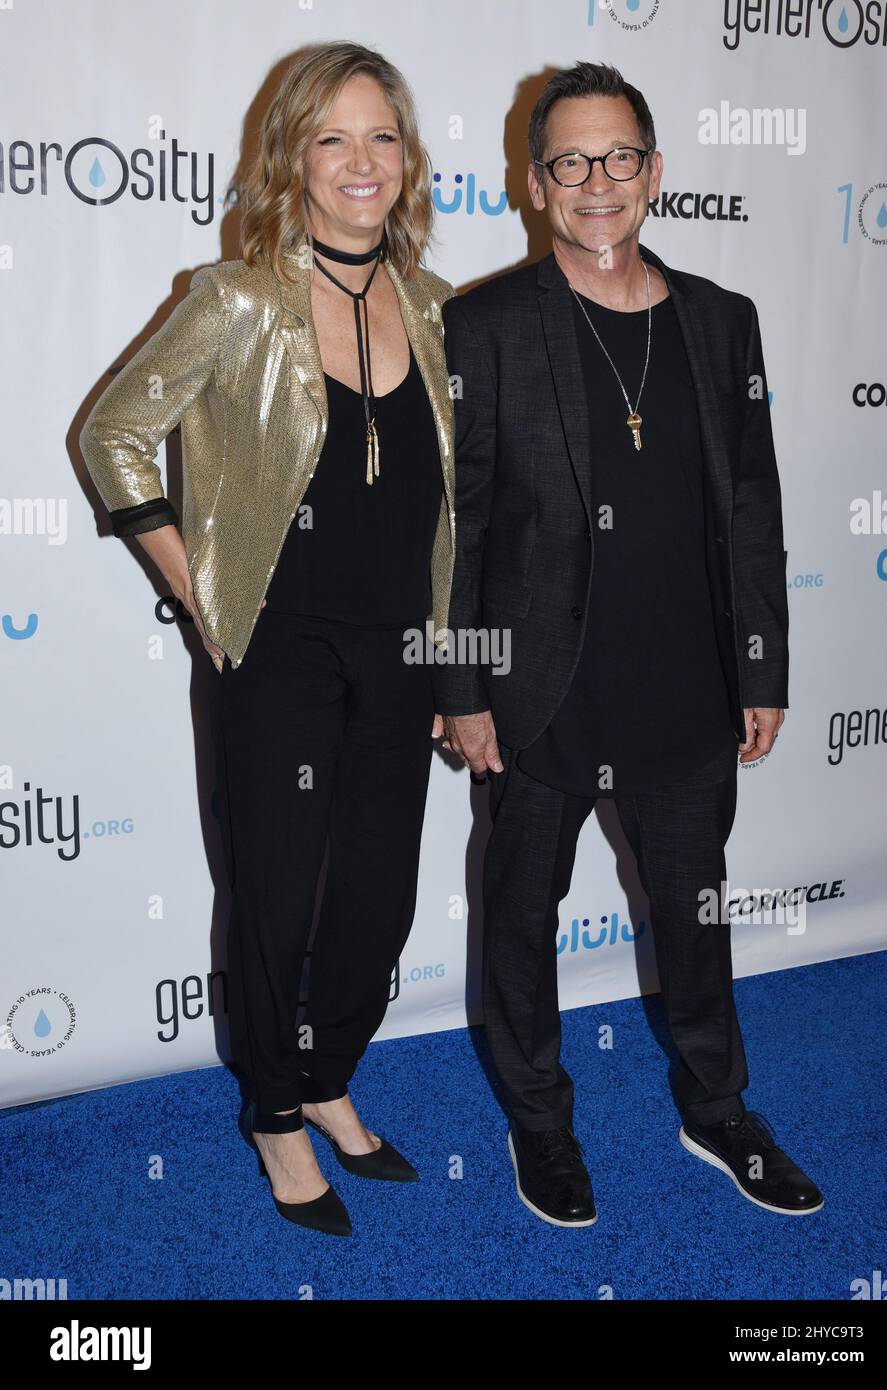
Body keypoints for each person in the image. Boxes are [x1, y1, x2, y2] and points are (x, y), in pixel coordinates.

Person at [79, 41, 457, 1237]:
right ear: (291, 156)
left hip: (403, 650)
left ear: (408, 157)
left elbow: (471, 502)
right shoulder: (234, 300)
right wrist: (201, 590)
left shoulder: (443, 310)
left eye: (381, 136)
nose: (361, 162)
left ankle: (331, 1073)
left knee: (378, 896)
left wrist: (464, 665)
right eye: (333, 138)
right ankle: (274, 1113)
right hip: (276, 649)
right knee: (277, 890)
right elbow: (114, 437)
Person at [437, 61, 823, 1226]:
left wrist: (759, 665)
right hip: (540, 688)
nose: (595, 182)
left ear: (653, 171)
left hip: (684, 684)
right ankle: (539, 1125)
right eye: (569, 161)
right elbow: (453, 525)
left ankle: (715, 1109)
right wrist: (461, 687)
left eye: (617, 158)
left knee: (693, 912)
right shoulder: (487, 324)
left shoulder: (720, 321)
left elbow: (750, 505)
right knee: (519, 916)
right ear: (533, 180)